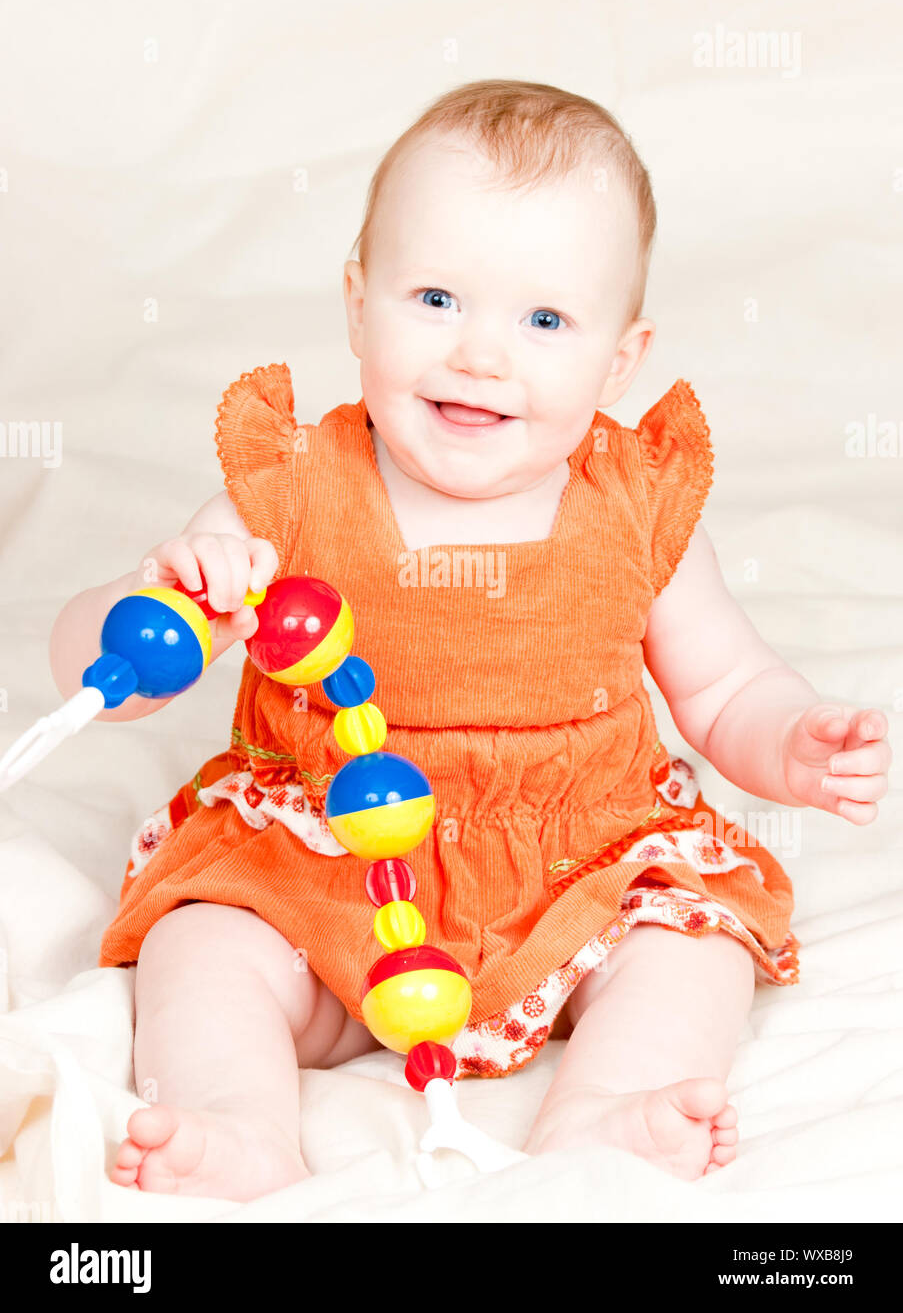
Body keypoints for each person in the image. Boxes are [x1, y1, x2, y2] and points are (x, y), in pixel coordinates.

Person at [50, 80, 891, 1198]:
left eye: (544, 321)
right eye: (435, 297)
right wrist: (153, 604)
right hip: (330, 859)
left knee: (690, 945)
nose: (481, 355)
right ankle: (234, 1119)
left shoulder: (633, 504)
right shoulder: (292, 492)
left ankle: (603, 1107)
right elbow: (98, 675)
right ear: (357, 305)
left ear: (620, 361)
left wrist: (786, 740)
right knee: (204, 945)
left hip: (576, 861)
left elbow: (724, 681)